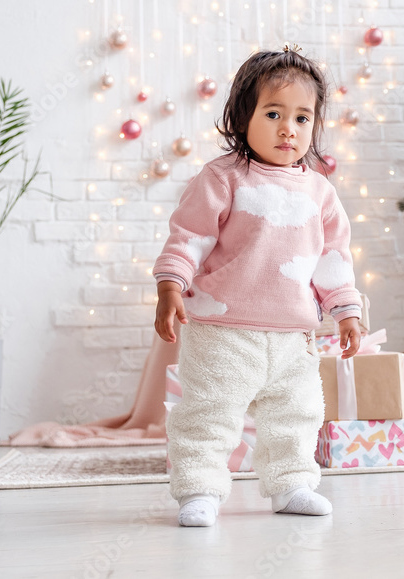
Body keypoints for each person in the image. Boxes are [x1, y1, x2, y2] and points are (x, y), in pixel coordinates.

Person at [152, 47, 362, 527]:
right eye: (273, 114)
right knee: (209, 413)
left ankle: (291, 483)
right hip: (223, 331)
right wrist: (170, 286)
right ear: (242, 116)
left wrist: (346, 311)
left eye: (302, 118)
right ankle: (199, 489)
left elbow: (333, 260)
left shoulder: (320, 192)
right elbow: (189, 238)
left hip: (293, 337)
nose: (289, 128)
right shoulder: (222, 178)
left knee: (296, 414)